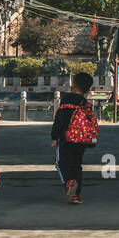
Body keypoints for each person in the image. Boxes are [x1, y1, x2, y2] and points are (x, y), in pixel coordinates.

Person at [51, 71, 96, 204]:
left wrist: (54, 136)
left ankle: (69, 182)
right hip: (81, 141)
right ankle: (76, 195)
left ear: (74, 85)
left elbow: (59, 119)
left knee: (61, 163)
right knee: (77, 166)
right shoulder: (85, 103)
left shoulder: (66, 100)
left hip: (66, 139)